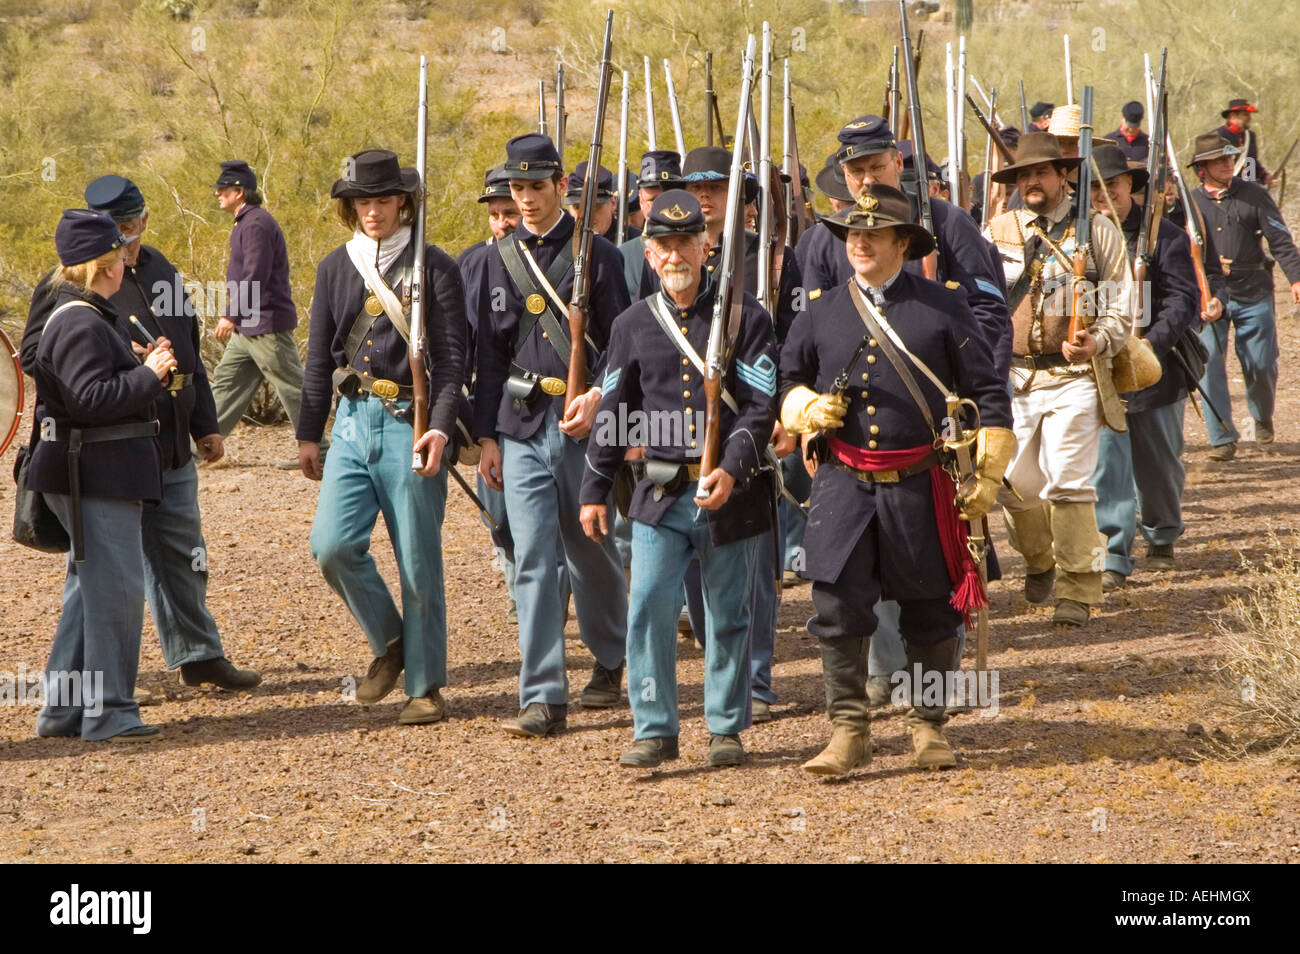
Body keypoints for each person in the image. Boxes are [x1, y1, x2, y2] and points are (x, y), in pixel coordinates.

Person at [779, 185, 1013, 775]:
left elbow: (986, 392)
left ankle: (928, 726)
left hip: (921, 480)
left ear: (902, 244)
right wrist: (803, 406)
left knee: (931, 606)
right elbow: (785, 380)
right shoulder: (822, 311)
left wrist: (986, 471)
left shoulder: (943, 306)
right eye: (852, 235)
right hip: (843, 480)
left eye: (873, 235)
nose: (858, 243)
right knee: (836, 602)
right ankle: (848, 731)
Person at [21, 177, 262, 695]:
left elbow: (189, 352)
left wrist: (207, 424)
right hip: (104, 453)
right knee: (96, 578)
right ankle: (81, 693)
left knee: (183, 551)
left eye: (130, 228)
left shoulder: (161, 270)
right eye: (114, 232)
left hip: (169, 440)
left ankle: (198, 654)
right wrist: (117, 357)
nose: (125, 242)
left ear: (144, 221)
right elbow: (38, 360)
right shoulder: (64, 285)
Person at [579, 190, 777, 767]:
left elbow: (759, 408)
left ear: (704, 244)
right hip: (659, 494)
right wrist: (594, 490)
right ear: (648, 253)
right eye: (661, 244)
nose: (673, 254)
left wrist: (731, 467)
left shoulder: (743, 317)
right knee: (646, 609)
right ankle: (654, 726)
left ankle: (724, 726)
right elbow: (614, 409)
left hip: (730, 493)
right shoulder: (632, 323)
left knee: (729, 613)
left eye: (683, 242)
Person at [297, 149, 467, 725]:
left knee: (418, 561)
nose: (372, 210)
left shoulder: (435, 266)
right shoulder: (334, 267)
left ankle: (425, 686)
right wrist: (308, 433)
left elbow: (450, 362)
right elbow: (319, 357)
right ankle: (393, 643)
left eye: (382, 199)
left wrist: (439, 426)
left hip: (410, 427)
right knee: (332, 546)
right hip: (350, 422)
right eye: (362, 201)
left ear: (403, 201)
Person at [474, 133, 630, 738]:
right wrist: (486, 437)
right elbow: (488, 356)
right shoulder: (494, 258)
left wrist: (600, 400)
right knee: (532, 556)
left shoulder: (602, 256)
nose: (528, 199)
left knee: (590, 548)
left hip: (582, 428)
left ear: (560, 186)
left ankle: (611, 658)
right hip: (518, 426)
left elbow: (625, 347)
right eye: (518, 189)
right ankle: (541, 693)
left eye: (537, 187)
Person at [27, 210, 177, 741]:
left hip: (92, 473)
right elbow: (91, 400)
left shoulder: (81, 315)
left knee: (88, 593)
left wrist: (133, 363)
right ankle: (109, 712)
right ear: (104, 266)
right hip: (97, 474)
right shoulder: (79, 320)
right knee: (115, 594)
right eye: (120, 254)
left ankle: (64, 711)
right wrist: (149, 375)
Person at [985, 132, 1134, 626]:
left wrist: (1098, 340)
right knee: (1013, 486)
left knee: (1069, 485)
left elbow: (1124, 303)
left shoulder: (1096, 231)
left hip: (1074, 377)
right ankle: (1040, 560)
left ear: (1062, 175)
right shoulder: (998, 230)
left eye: (1040, 173)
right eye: (1023, 174)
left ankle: (1078, 588)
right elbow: (978, 302)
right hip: (1013, 379)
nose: (1031, 181)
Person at [1087, 145, 1203, 589]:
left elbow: (1182, 301)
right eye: (1094, 189)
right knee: (1106, 467)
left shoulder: (1166, 237)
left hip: (1155, 371)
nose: (1103, 196)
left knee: (1159, 465)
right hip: (1099, 367)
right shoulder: (1083, 238)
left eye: (1111, 186)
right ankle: (1114, 553)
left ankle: (1161, 533)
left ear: (1128, 186)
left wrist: (1148, 347)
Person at [1188, 131, 1300, 459]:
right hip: (1210, 295)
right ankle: (1222, 438)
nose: (1227, 163)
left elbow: (1280, 241)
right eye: (1218, 160)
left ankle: (1262, 417)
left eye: (1228, 157)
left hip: (1254, 289)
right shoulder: (1190, 204)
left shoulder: (1255, 195)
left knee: (1262, 363)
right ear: (1202, 168)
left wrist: (1296, 279)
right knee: (1208, 362)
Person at [207, 160, 310, 462]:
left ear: (239, 192)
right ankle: (198, 448)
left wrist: (231, 315)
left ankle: (321, 450)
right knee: (227, 382)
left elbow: (255, 275)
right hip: (249, 327)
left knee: (292, 386)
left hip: (264, 324)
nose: (217, 194)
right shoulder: (247, 223)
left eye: (222, 189)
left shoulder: (255, 224)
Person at [459, 165, 526, 623]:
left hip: (541, 401)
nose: (503, 222)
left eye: (510, 212)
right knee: (496, 512)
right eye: (496, 213)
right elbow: (458, 340)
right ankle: (520, 589)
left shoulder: (550, 260)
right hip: (488, 403)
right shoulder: (469, 263)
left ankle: (542, 591)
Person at [619, 149, 684, 297]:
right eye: (653, 200)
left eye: (667, 197)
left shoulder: (697, 248)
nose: (661, 206)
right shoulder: (622, 256)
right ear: (641, 202)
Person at [1216, 99, 1272, 186]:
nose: (1249, 118)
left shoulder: (1250, 136)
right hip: (1226, 188)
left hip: (1248, 187)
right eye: (1245, 115)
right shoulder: (1218, 135)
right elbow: (1201, 163)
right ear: (1233, 116)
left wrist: (1265, 177)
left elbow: (1251, 162)